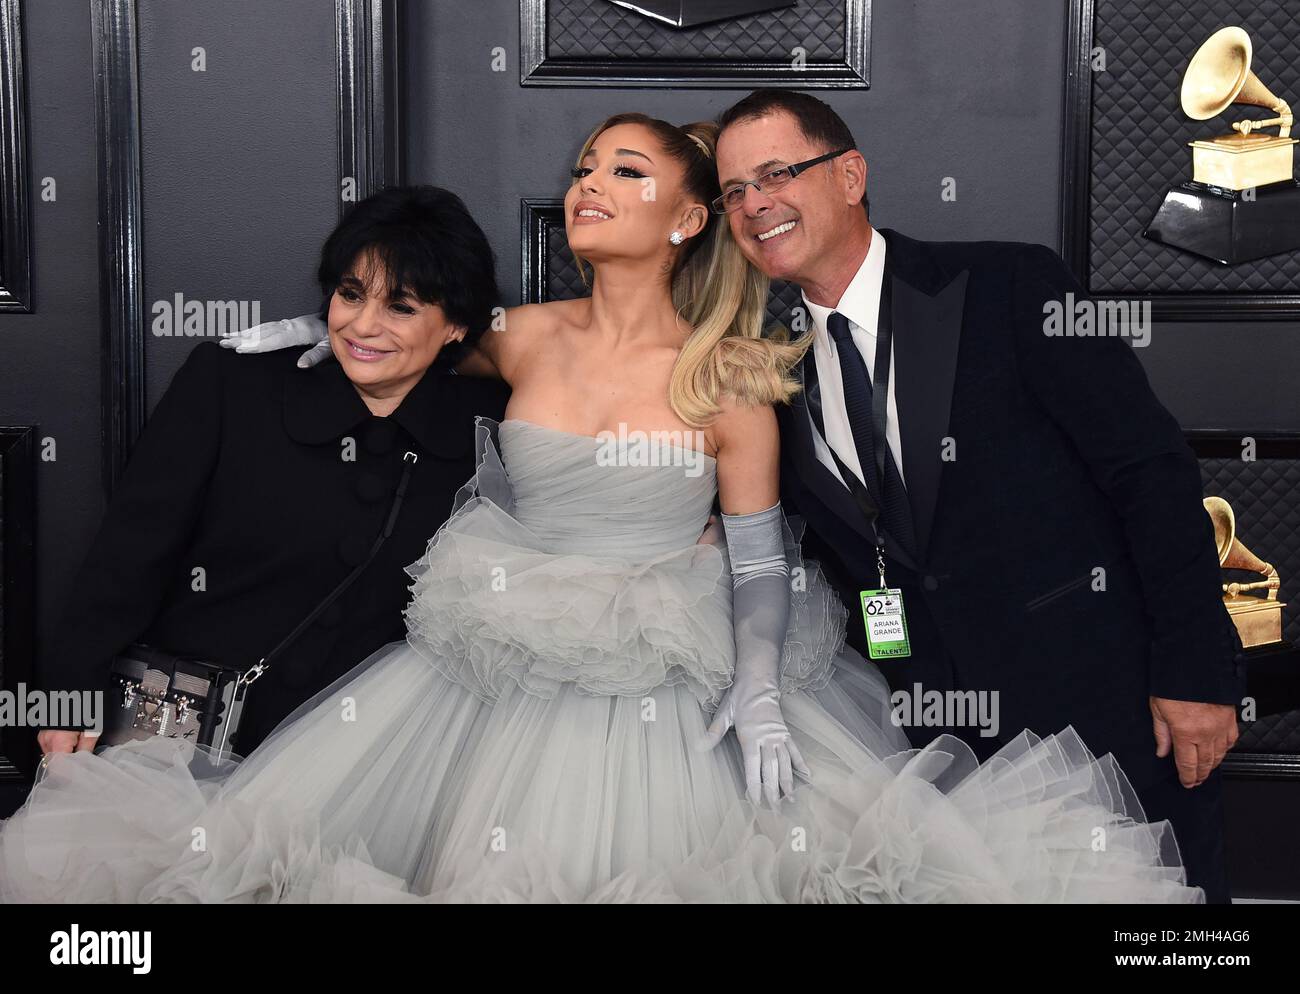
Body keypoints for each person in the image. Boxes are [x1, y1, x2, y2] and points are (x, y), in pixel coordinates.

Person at [2, 115, 1203, 903]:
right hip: (496, 662)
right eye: (583, 167)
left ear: (688, 218)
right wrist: (299, 335)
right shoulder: (518, 336)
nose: (589, 183)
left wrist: (758, 684)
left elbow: (760, 555)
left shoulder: (734, 370)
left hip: (677, 671)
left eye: (625, 172)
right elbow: (405, 327)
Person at [710, 89, 1247, 902]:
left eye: (777, 174)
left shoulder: (1010, 284)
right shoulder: (773, 374)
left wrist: (1196, 670)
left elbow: (1152, 473)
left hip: (1109, 712)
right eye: (734, 191)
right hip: (938, 746)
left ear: (850, 176)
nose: (755, 204)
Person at [31, 185, 509, 758]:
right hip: (184, 745)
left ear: (456, 325)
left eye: (400, 307)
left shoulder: (485, 430)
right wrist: (71, 690)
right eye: (350, 294)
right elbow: (130, 550)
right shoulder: (232, 384)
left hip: (358, 764)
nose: (363, 326)